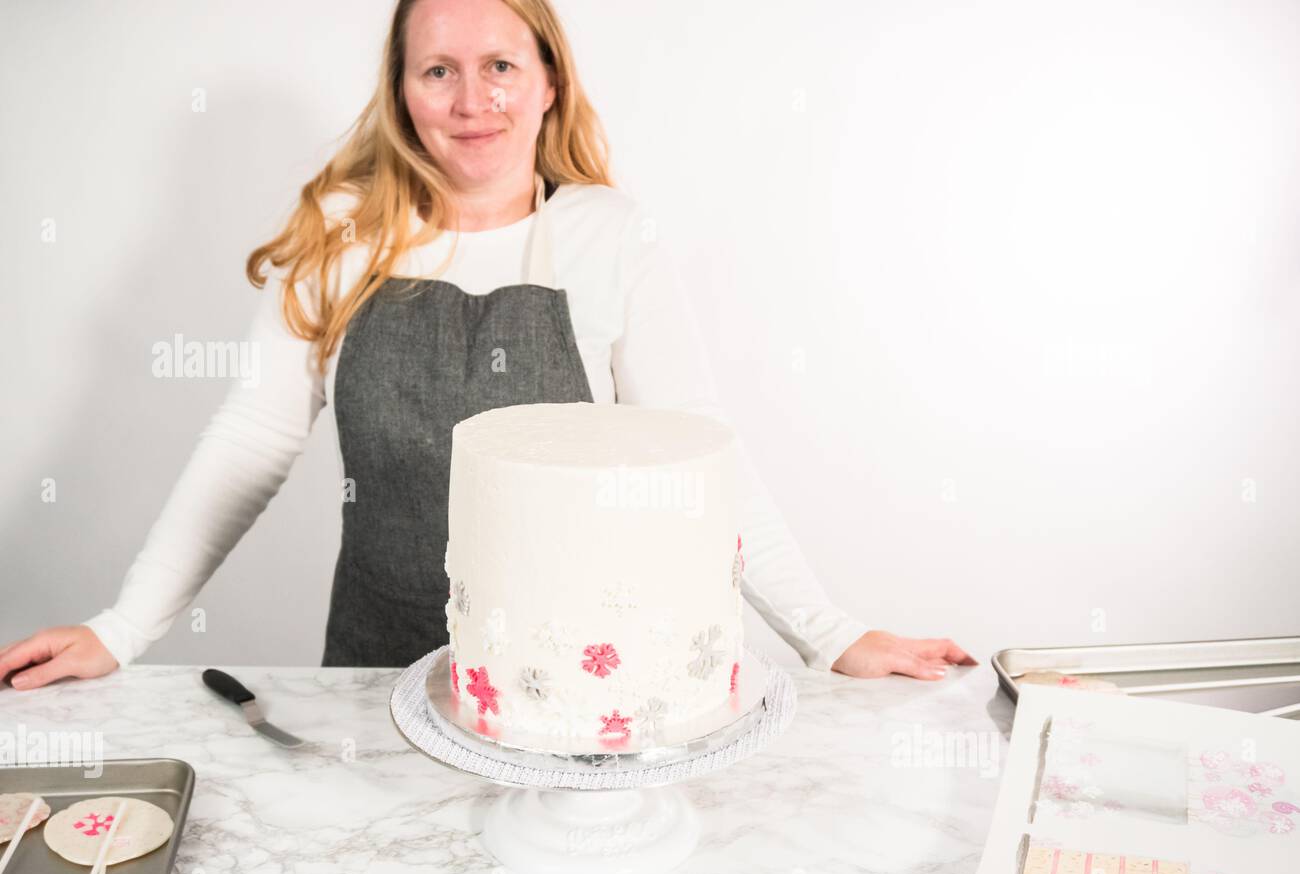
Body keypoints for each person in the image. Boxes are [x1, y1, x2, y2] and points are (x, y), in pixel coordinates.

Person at [0, 0, 975, 691]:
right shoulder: (342, 231)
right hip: (379, 668)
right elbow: (252, 439)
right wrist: (121, 629)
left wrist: (831, 633)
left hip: (579, 663)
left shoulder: (606, 233)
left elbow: (700, 451)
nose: (473, 99)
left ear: (547, 80)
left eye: (501, 65)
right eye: (439, 69)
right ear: (402, 89)